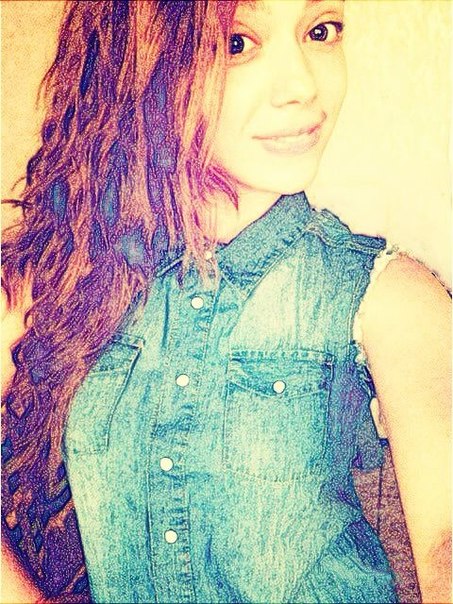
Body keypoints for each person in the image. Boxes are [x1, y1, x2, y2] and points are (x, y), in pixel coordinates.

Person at [1, 1, 451, 603]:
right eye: (237, 43)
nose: (303, 87)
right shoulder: (59, 277)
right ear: (145, 62)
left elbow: (444, 540)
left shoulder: (387, 294)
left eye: (320, 31)